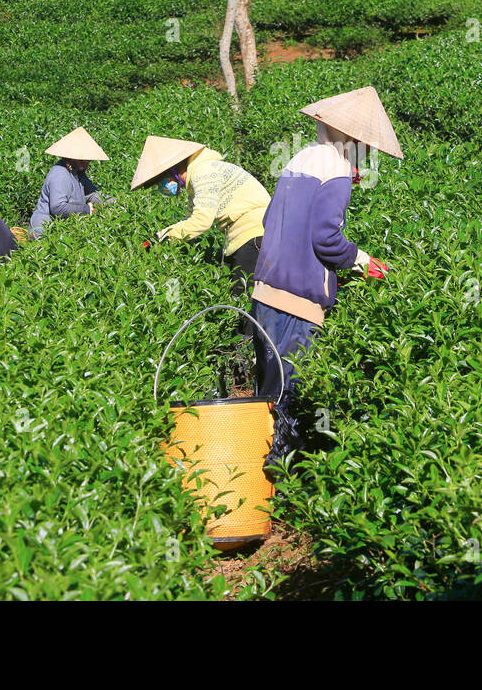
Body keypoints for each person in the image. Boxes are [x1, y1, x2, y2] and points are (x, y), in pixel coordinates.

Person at [250, 85, 402, 467]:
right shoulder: (336, 170)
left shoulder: (299, 160)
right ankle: (286, 483)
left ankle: (253, 483)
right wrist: (362, 261)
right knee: (292, 398)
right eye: (367, 148)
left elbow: (271, 221)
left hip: (265, 290)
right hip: (298, 300)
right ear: (353, 140)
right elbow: (326, 238)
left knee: (267, 392)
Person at [130, 136, 270, 308]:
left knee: (242, 302)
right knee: (235, 296)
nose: (163, 186)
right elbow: (189, 219)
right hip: (244, 234)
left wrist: (161, 237)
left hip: (253, 233)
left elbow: (201, 222)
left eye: (162, 181)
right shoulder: (196, 179)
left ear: (173, 170)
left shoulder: (204, 172)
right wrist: (163, 237)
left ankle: (249, 335)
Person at [28, 127, 110, 239]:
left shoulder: (78, 173)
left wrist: (114, 202)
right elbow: (58, 208)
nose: (87, 163)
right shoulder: (60, 174)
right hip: (44, 230)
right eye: (83, 159)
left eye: (88, 160)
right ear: (71, 157)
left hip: (62, 228)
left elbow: (92, 194)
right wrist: (86, 210)